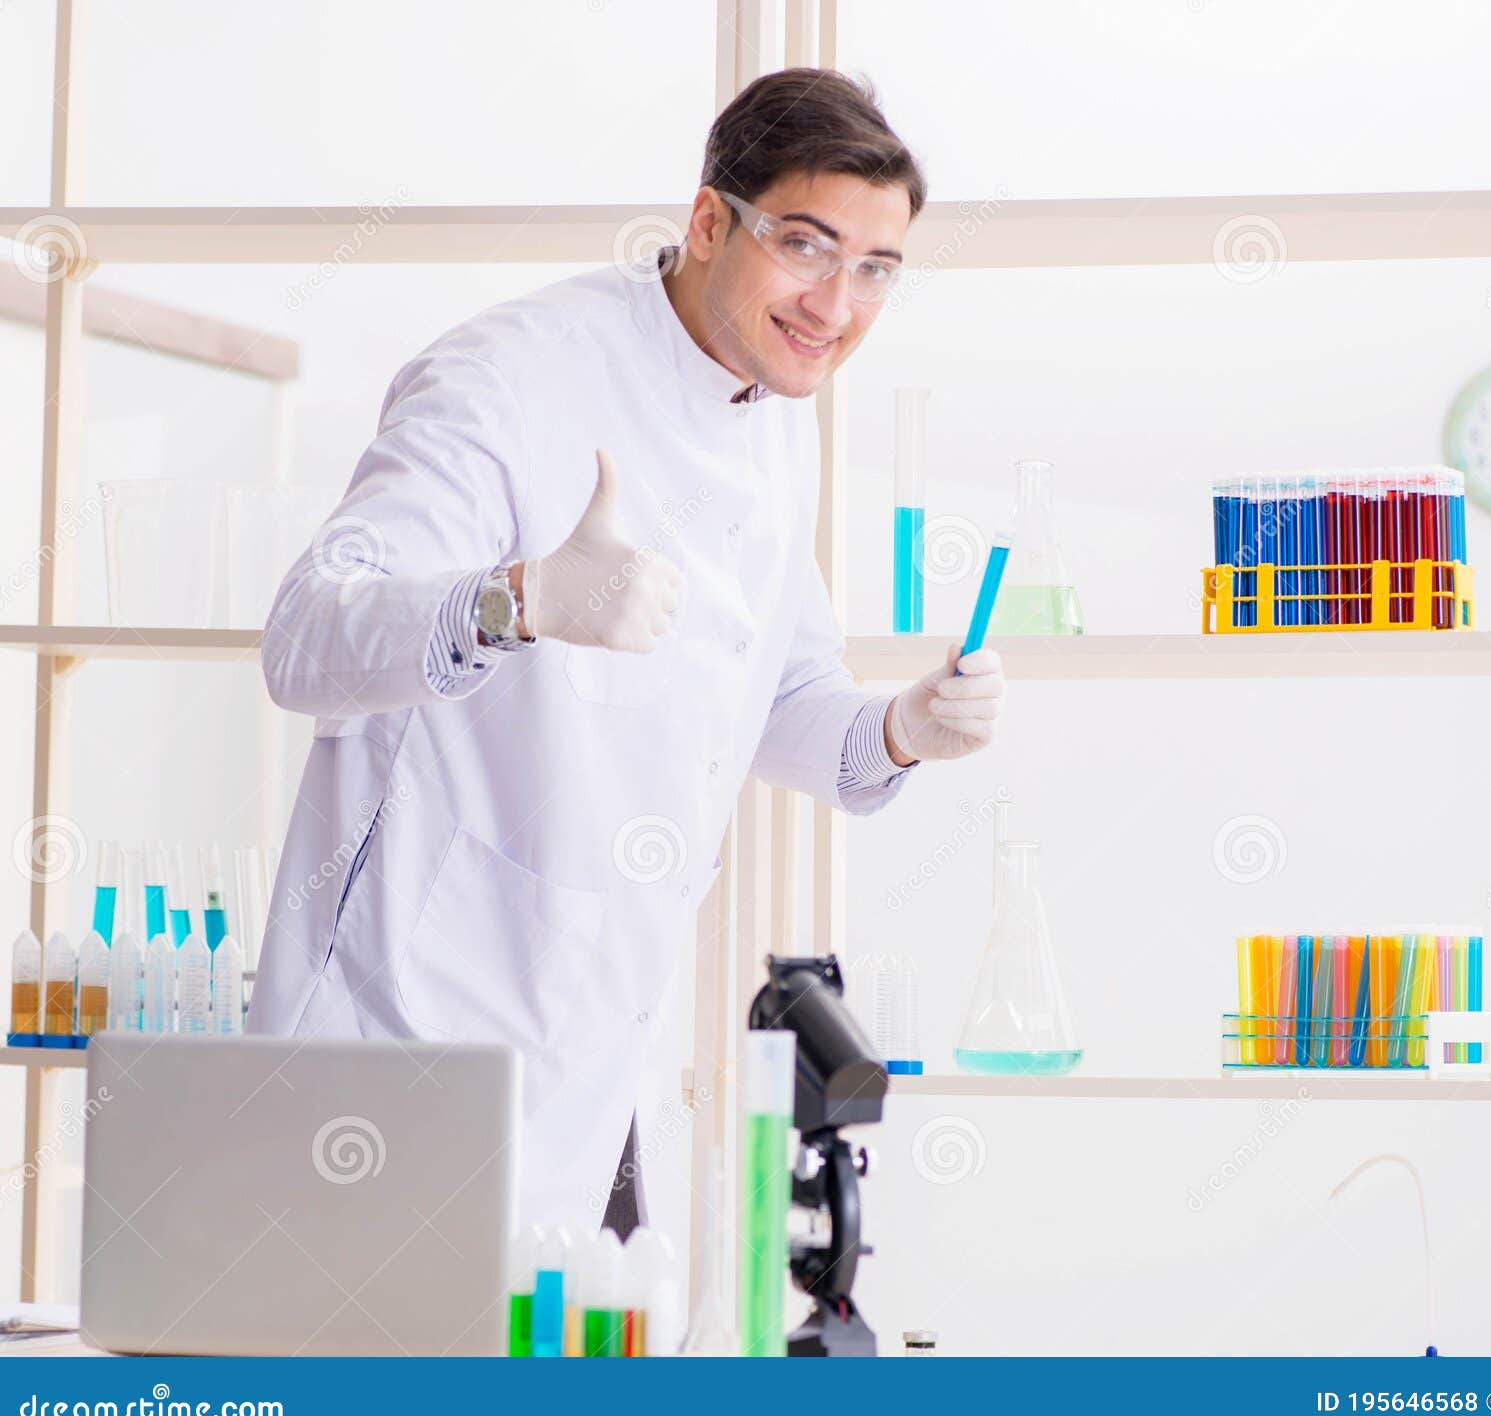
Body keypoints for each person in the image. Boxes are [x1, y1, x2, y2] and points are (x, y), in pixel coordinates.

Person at [249, 68, 1007, 1236]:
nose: (836, 303)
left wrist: (902, 726)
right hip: (402, 1033)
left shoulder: (773, 409)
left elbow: (768, 693)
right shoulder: (507, 378)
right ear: (711, 221)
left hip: (603, 1066)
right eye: (807, 247)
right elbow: (306, 637)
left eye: (875, 270)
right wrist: (517, 601)